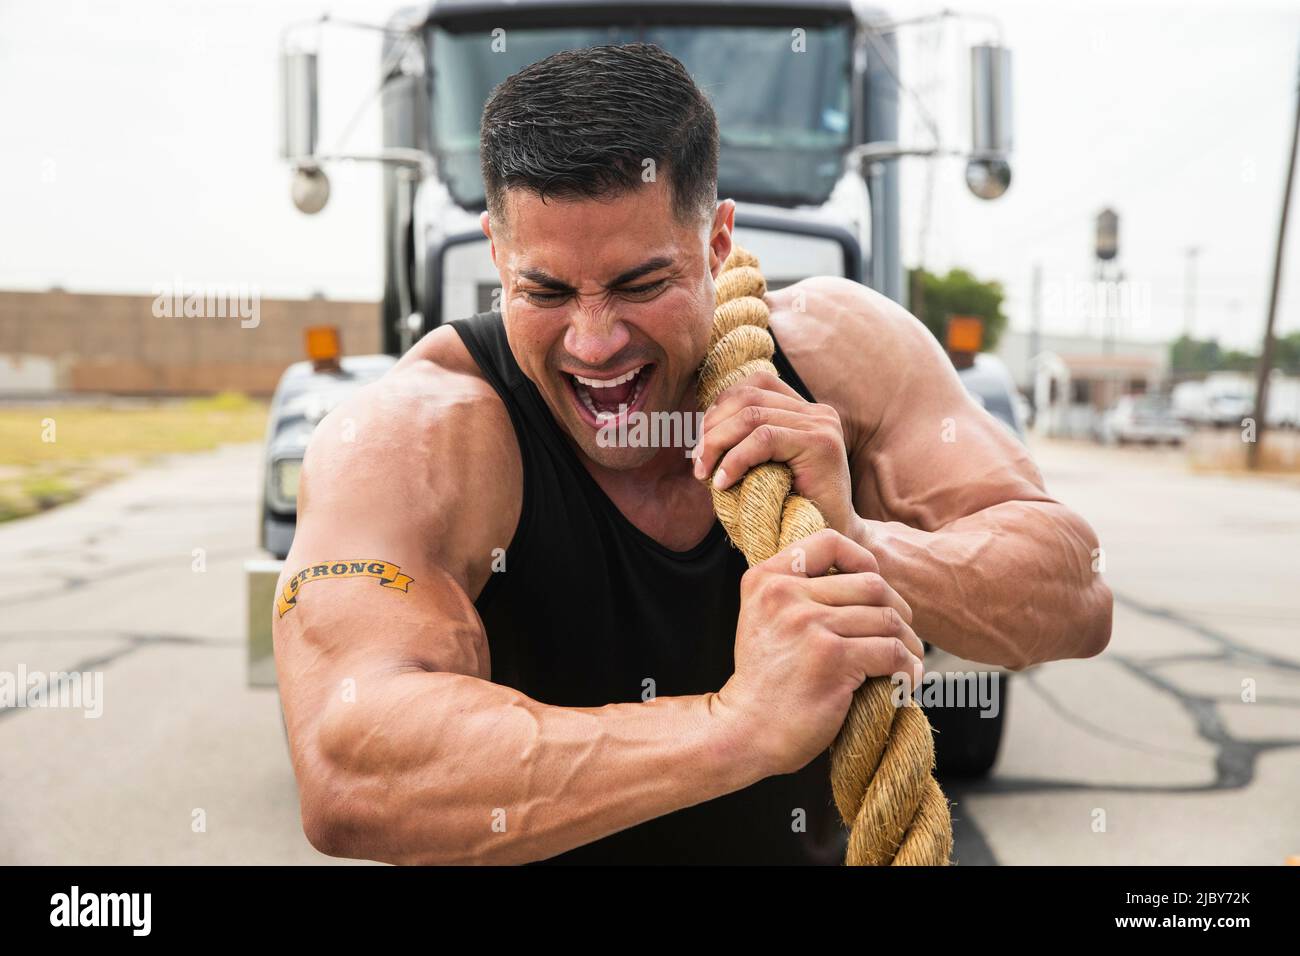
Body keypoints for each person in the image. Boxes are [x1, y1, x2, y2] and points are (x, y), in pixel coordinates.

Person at [272, 43, 1112, 865]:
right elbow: (351, 764)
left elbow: (1076, 593)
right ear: (497, 253)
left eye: (642, 285)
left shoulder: (840, 351)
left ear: (717, 243)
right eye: (547, 291)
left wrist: (858, 541)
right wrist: (733, 729)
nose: (595, 343)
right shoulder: (417, 431)